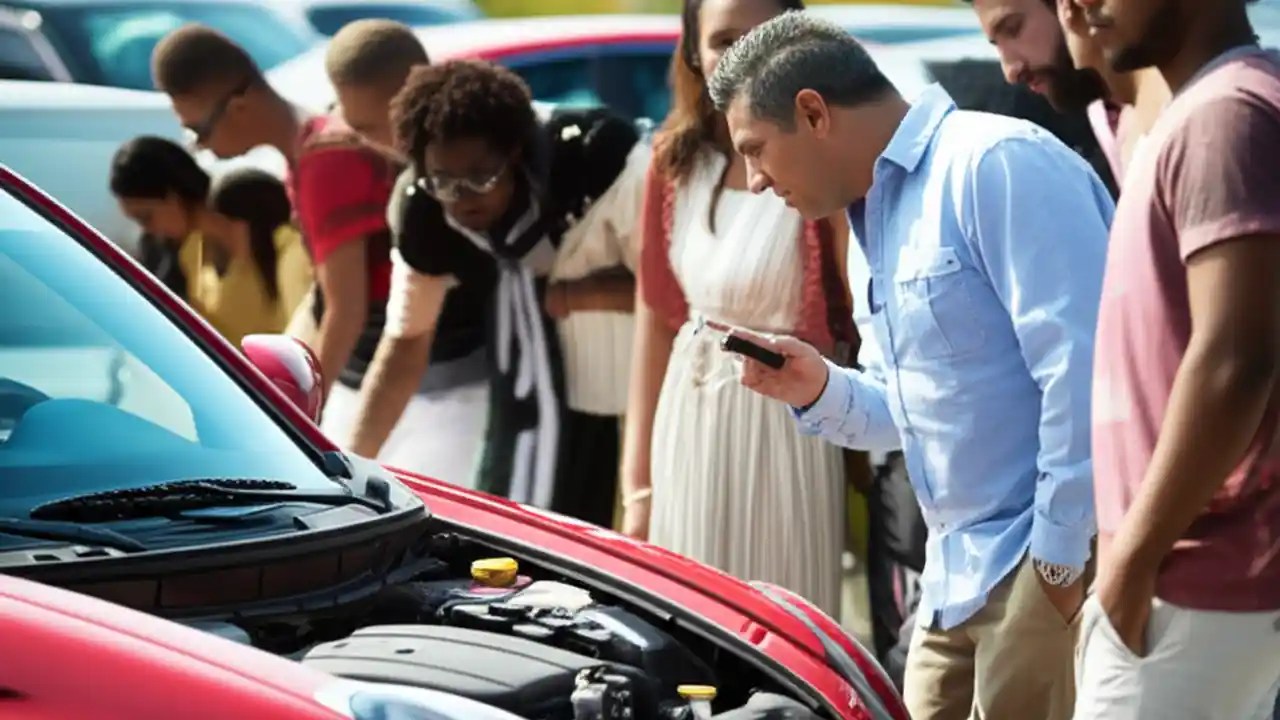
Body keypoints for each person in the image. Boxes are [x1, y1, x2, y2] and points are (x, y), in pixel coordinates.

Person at [708, 12, 1112, 719]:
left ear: (813, 113)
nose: (754, 181)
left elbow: (1085, 379)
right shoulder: (872, 217)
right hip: (953, 583)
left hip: (1048, 567)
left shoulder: (998, 164)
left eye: (755, 148)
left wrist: (1055, 571)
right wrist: (821, 388)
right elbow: (913, 412)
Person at [1074, 0, 1280, 716]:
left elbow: (1236, 358)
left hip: (1189, 591)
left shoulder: (1227, 114)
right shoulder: (1215, 106)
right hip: (1185, 590)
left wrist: (1132, 562)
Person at [619, 0, 855, 620]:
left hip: (786, 432)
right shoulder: (674, 161)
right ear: (694, 54)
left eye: (764, 35)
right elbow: (654, 322)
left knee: (780, 630)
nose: (746, 54)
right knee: (683, 629)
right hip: (685, 421)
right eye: (725, 39)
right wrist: (636, 486)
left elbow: (866, 311)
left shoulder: (829, 158)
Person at [360, 59, 644, 525]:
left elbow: (672, 288)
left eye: (480, 176)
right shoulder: (426, 213)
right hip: (530, 404)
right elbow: (406, 341)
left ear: (514, 153)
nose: (464, 197)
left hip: (627, 390)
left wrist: (578, 295)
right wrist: (347, 461)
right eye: (444, 182)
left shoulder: (593, 163)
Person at [150, 24, 398, 426]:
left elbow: (345, 310)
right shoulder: (308, 149)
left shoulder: (325, 161)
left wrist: (301, 418)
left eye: (198, 128)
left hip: (404, 378)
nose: (200, 145)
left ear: (240, 103)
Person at [307, 19, 493, 487]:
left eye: (368, 126)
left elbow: (406, 341)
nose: (360, 139)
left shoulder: (453, 177)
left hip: (466, 400)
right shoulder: (415, 188)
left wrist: (349, 465)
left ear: (405, 100)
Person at [110, 136, 312, 345]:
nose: (147, 230)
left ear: (173, 196)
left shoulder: (287, 248)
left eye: (146, 217)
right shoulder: (190, 255)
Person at [964, 0, 1169, 184]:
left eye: (1013, 29)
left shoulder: (1179, 102)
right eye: (996, 44)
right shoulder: (1104, 117)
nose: (1010, 71)